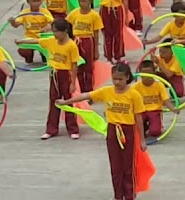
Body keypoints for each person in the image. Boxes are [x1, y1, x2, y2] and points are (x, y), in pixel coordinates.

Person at [59, 63, 149, 200]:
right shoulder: (106, 91)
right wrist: (66, 102)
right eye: (114, 79)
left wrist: (142, 139)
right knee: (115, 166)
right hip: (112, 130)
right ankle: (118, 195)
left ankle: (129, 195)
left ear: (127, 78)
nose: (117, 82)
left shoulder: (134, 95)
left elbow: (138, 118)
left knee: (128, 166)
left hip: (128, 131)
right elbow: (86, 96)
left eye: (120, 79)